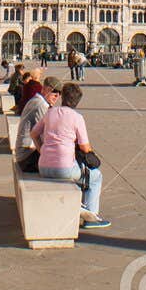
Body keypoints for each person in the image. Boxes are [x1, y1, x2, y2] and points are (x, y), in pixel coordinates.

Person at [30, 82, 109, 229]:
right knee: (95, 177)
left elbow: (34, 133)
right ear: (77, 101)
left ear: (62, 97)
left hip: (43, 166)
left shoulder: (50, 112)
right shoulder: (77, 117)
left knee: (80, 174)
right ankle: (91, 216)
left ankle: (77, 206)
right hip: (63, 168)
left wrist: (42, 150)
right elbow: (85, 147)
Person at [14, 74, 60, 167]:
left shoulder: (38, 100)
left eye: (59, 93)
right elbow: (46, 134)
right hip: (27, 156)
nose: (57, 96)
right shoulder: (40, 104)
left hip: (26, 152)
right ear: (44, 89)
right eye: (54, 91)